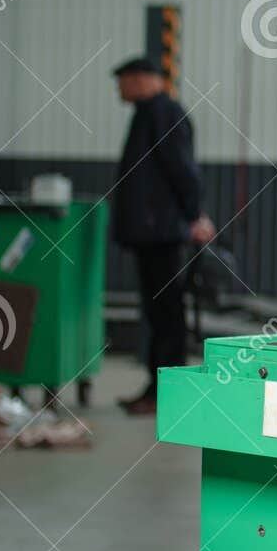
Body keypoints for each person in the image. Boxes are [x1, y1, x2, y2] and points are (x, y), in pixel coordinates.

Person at [109, 57, 214, 414]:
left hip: (163, 234)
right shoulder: (148, 113)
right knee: (158, 314)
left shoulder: (164, 113)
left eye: (123, 81)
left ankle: (167, 395)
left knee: (167, 315)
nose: (120, 89)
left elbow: (182, 169)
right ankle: (156, 390)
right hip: (152, 233)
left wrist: (195, 214)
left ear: (143, 79)